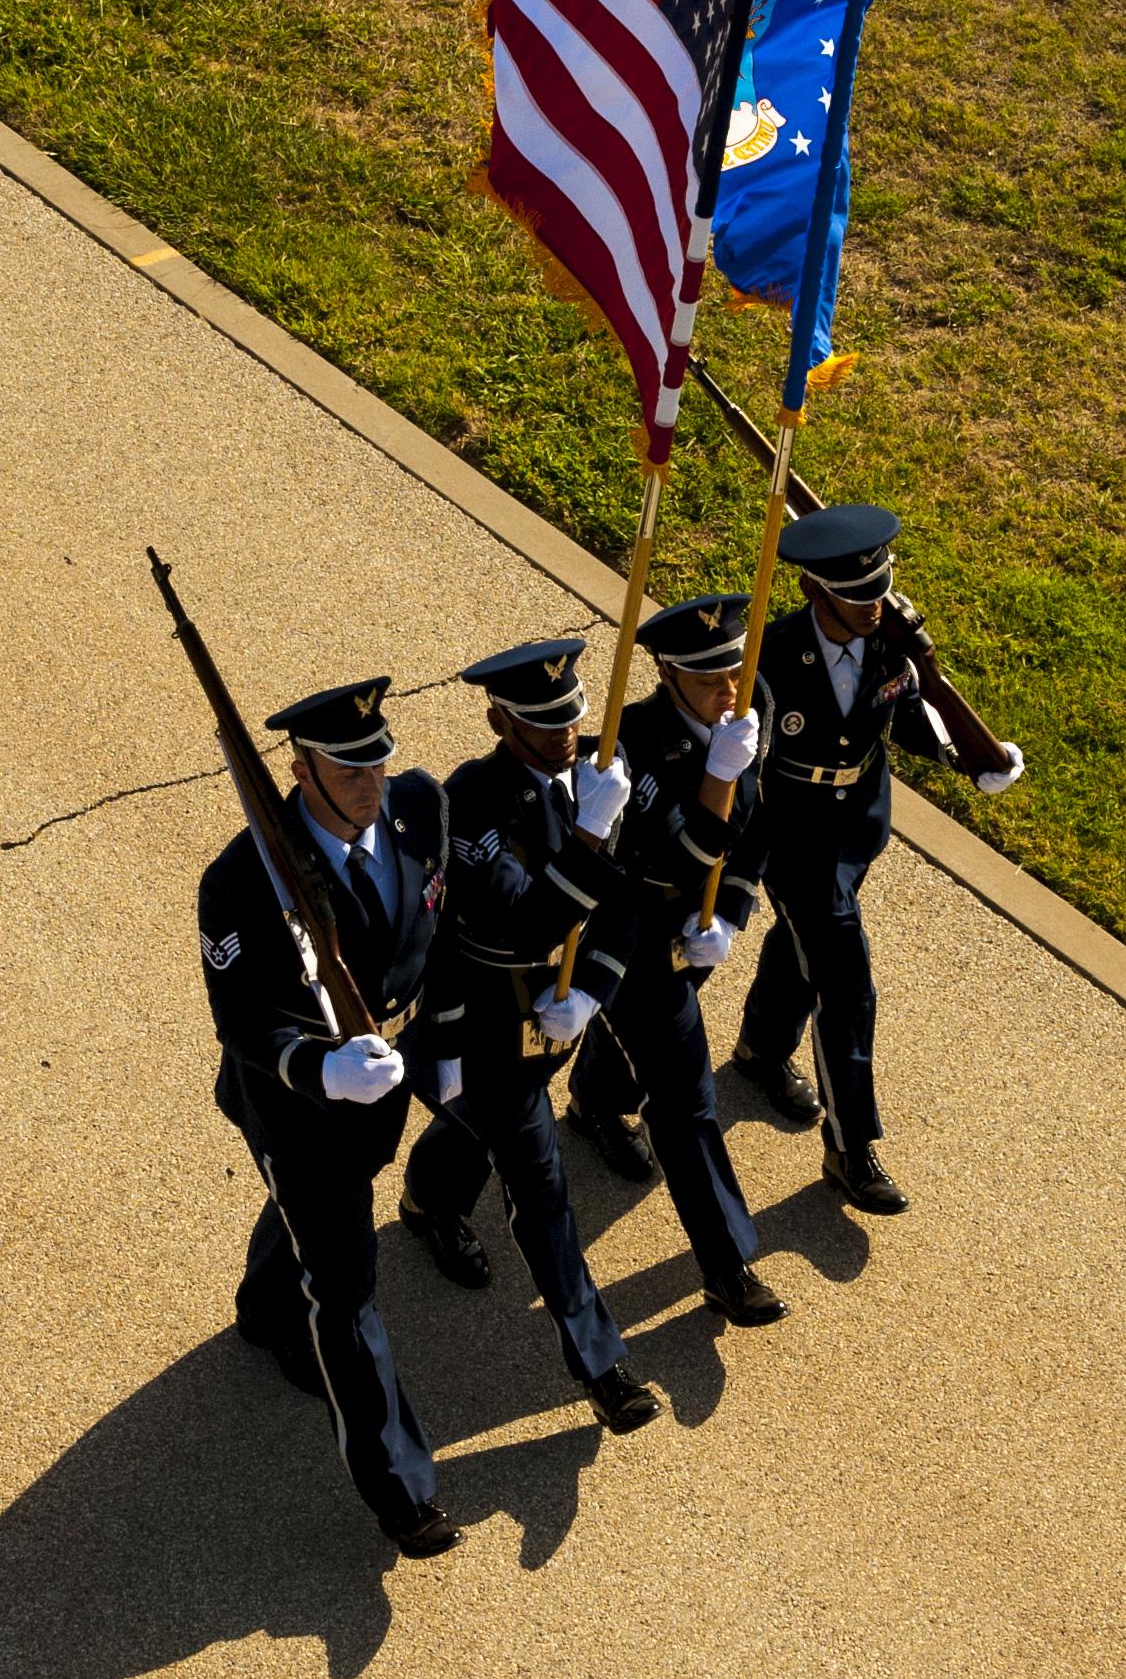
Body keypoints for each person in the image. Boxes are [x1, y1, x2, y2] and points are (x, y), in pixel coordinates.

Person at [197, 676, 461, 1560]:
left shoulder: (419, 811)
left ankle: (265, 1305)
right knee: (347, 1285)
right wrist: (318, 1066)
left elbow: (438, 929)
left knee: (321, 1220)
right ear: (299, 768)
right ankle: (402, 1491)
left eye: (377, 759)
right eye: (347, 768)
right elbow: (242, 1018)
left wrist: (444, 1039)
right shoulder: (242, 879)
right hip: (298, 1106)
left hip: (387, 1078)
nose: (369, 783)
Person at [399, 638, 662, 1434]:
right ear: (497, 721)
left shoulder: (596, 779)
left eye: (571, 717)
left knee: (477, 1137)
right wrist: (588, 836)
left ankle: (427, 1199)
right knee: (541, 1194)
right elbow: (516, 925)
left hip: (554, 1013)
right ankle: (603, 1366)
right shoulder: (468, 804)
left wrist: (592, 993)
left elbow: (627, 901)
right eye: (542, 724)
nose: (564, 736)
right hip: (482, 1019)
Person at [733, 505, 1024, 1214]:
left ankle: (760, 1052)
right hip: (792, 836)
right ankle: (849, 1147)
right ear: (812, 593)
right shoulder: (766, 659)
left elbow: (903, 714)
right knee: (846, 983)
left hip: (857, 825)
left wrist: (968, 756)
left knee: (799, 945)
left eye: (879, 593)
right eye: (854, 598)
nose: (870, 610)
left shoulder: (892, 646)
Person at [567, 596, 788, 1327]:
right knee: (687, 1101)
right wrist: (719, 777)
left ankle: (596, 1103)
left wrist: (731, 913)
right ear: (665, 675)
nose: (728, 691)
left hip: (692, 937)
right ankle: (728, 1266)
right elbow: (673, 857)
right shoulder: (624, 748)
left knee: (630, 1050)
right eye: (707, 680)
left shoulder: (748, 706)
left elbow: (757, 832)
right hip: (624, 944)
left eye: (733, 670)